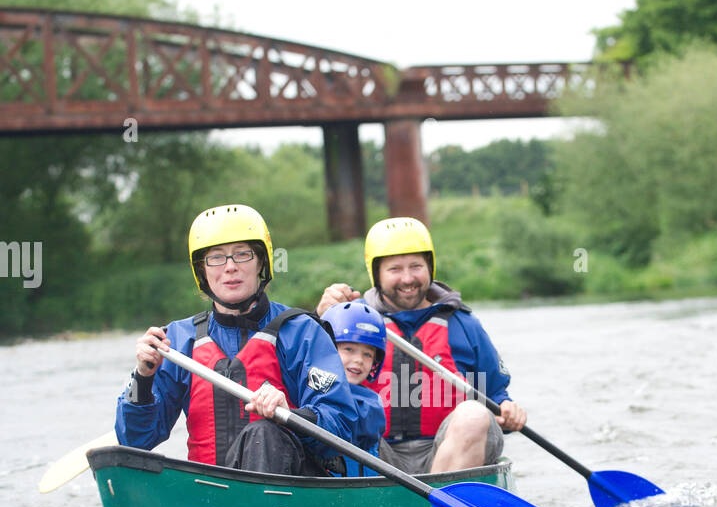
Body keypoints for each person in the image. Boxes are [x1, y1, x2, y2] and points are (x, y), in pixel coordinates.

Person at [116, 204, 358, 476]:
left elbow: (341, 424)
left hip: (290, 491)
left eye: (242, 255)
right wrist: (142, 377)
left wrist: (291, 415)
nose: (230, 267)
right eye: (216, 258)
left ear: (261, 262)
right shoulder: (177, 342)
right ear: (202, 271)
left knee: (263, 433)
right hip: (209, 494)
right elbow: (134, 440)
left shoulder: (302, 332)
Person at [315, 216, 527, 475]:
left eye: (416, 266)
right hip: (377, 456)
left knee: (475, 414)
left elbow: (495, 394)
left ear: (430, 268)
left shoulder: (464, 324)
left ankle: (441, 505)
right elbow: (313, 381)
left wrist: (507, 409)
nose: (407, 279)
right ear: (377, 274)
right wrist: (321, 320)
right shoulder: (348, 319)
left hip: (451, 451)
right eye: (395, 269)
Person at [321, 299, 387, 477]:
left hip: (360, 491)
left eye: (367, 354)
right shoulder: (310, 390)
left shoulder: (370, 402)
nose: (359, 359)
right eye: (349, 349)